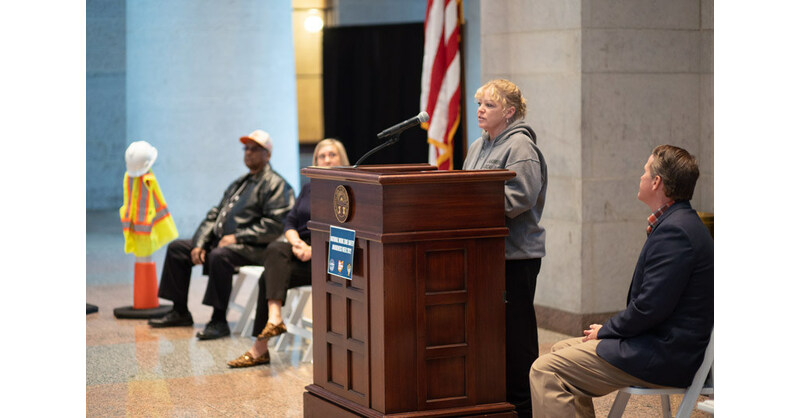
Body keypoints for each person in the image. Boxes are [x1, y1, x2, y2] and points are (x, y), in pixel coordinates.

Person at [529, 145, 713, 417]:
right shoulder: (679, 223)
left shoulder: (677, 232)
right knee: (559, 349)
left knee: (545, 371)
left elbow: (649, 309)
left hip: (665, 356)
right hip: (660, 344)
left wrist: (606, 331)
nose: (640, 176)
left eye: (645, 171)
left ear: (657, 182)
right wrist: (609, 330)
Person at [148, 130, 295, 341]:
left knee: (219, 255)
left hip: (256, 248)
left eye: (255, 149)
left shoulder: (277, 184)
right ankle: (179, 311)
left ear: (268, 155)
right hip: (224, 242)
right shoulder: (240, 183)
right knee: (178, 249)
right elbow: (215, 215)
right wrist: (199, 243)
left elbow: (275, 225)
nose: (248, 153)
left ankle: (218, 320)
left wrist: (238, 237)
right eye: (246, 148)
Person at [462, 79, 547, 418]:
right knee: (489, 332)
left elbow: (521, 197)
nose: (480, 110)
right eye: (479, 103)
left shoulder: (521, 147)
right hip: (484, 253)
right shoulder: (476, 146)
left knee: (516, 337)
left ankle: (524, 408)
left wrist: (472, 206)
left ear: (509, 112)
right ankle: (496, 401)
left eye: (489, 105)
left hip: (515, 256)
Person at [227, 138, 349, 367]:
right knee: (275, 250)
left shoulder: (349, 190)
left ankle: (260, 348)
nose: (327, 159)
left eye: (332, 155)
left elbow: (349, 232)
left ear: (342, 159)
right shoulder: (309, 187)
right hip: (300, 252)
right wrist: (296, 243)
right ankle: (274, 318)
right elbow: (290, 221)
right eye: (321, 156)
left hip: (329, 258)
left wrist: (315, 250)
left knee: (268, 276)